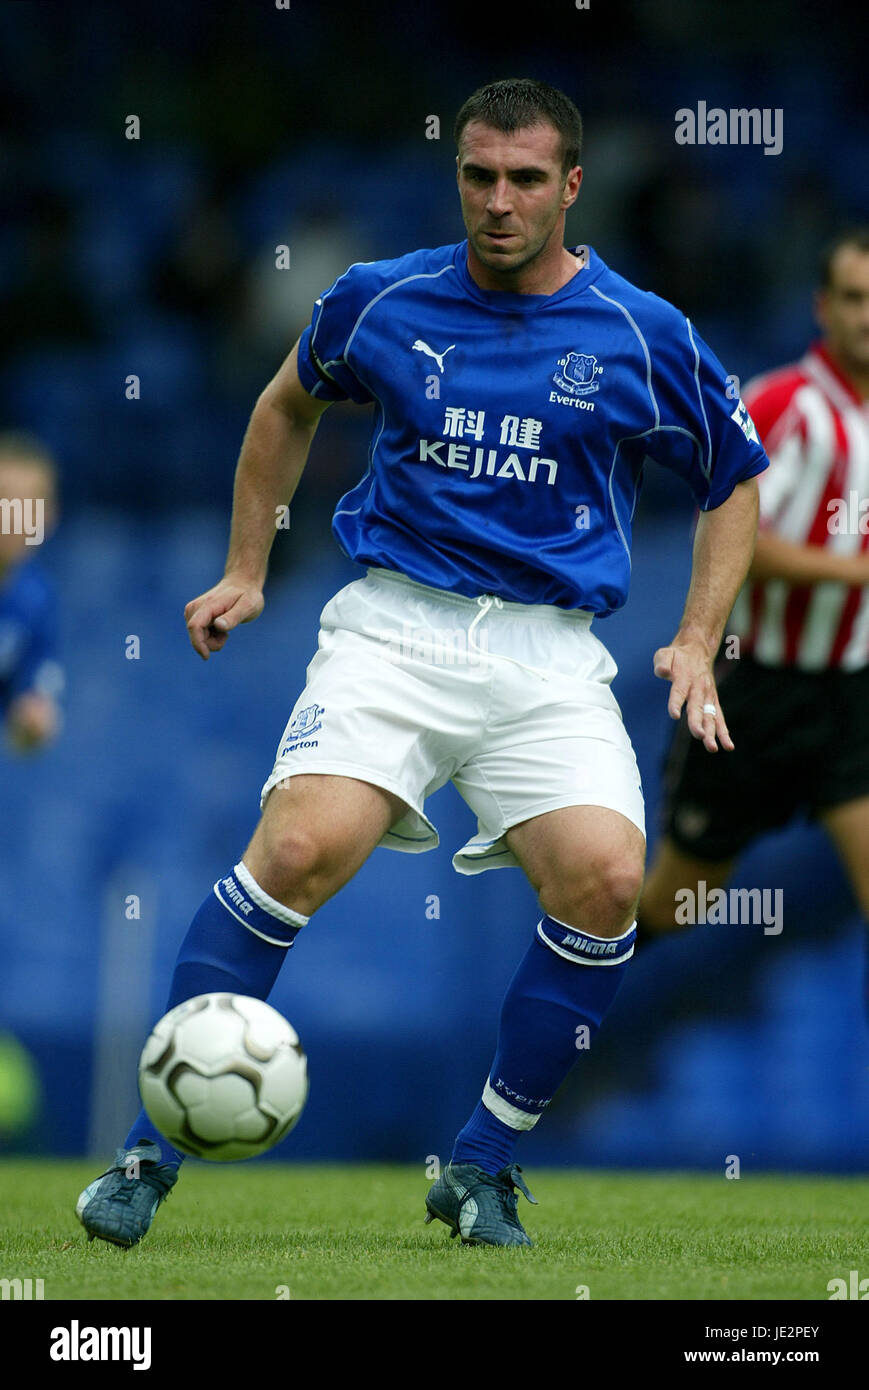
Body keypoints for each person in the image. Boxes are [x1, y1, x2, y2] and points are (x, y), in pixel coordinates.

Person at [77, 78, 766, 1250]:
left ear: (571, 187)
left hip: (549, 650)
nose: (498, 201)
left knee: (606, 880)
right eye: (478, 176)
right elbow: (285, 404)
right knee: (297, 847)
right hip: (396, 627)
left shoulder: (642, 332)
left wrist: (698, 638)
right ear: (458, 177)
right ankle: (147, 1155)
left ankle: (482, 1162)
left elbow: (734, 476)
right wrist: (250, 567)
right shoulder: (378, 300)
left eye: (525, 179)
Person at [638, 229, 869, 983]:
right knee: (678, 905)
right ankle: (568, 974)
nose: (867, 315)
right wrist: (853, 574)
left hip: (852, 694)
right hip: (757, 691)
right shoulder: (781, 403)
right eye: (854, 298)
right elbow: (734, 538)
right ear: (822, 307)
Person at [0, 433, 63, 753]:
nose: (12, 517)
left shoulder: (38, 598)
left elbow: (29, 702)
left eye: (28, 504)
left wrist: (31, 723)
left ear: (48, 518)